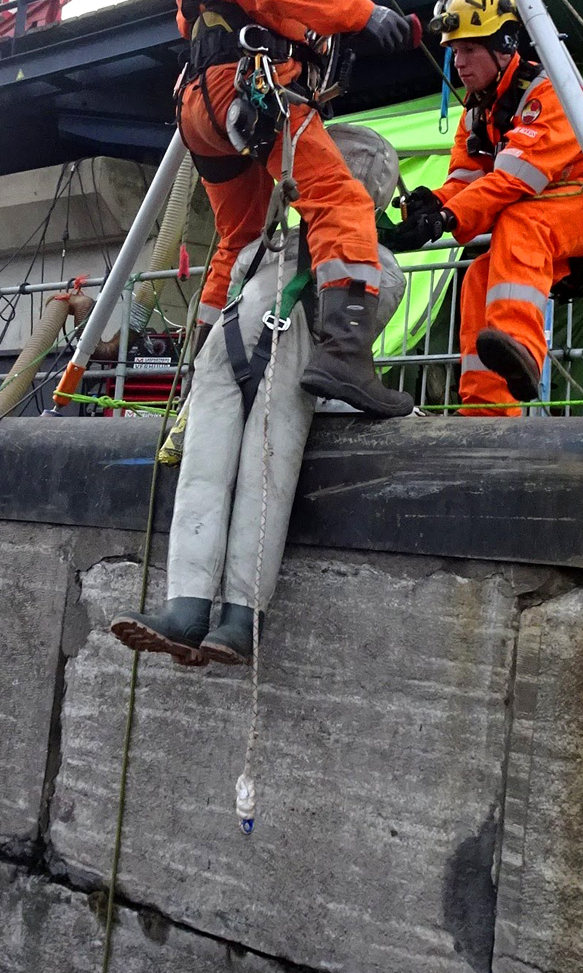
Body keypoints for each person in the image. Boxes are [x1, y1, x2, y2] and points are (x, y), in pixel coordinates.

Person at [111, 125, 407, 665]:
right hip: (226, 365)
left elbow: (345, 327)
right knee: (208, 478)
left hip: (283, 373)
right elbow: (230, 286)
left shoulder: (373, 262)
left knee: (261, 486)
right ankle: (187, 609)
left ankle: (240, 617)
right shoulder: (275, 244)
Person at [175, 0, 417, 418]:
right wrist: (361, 13)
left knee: (242, 236)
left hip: (201, 102)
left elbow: (248, 1)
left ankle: (203, 358)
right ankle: (345, 355)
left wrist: (321, 6)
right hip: (249, 88)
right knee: (340, 197)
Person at [383, 0, 583, 416]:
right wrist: (432, 203)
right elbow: (468, 181)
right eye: (455, 50)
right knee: (477, 278)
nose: (460, 62)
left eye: (470, 49)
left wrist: (448, 217)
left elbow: (512, 181)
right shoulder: (478, 110)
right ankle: (486, 411)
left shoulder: (548, 94)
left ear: (504, 46)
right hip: (554, 207)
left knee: (521, 224)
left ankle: (523, 349)